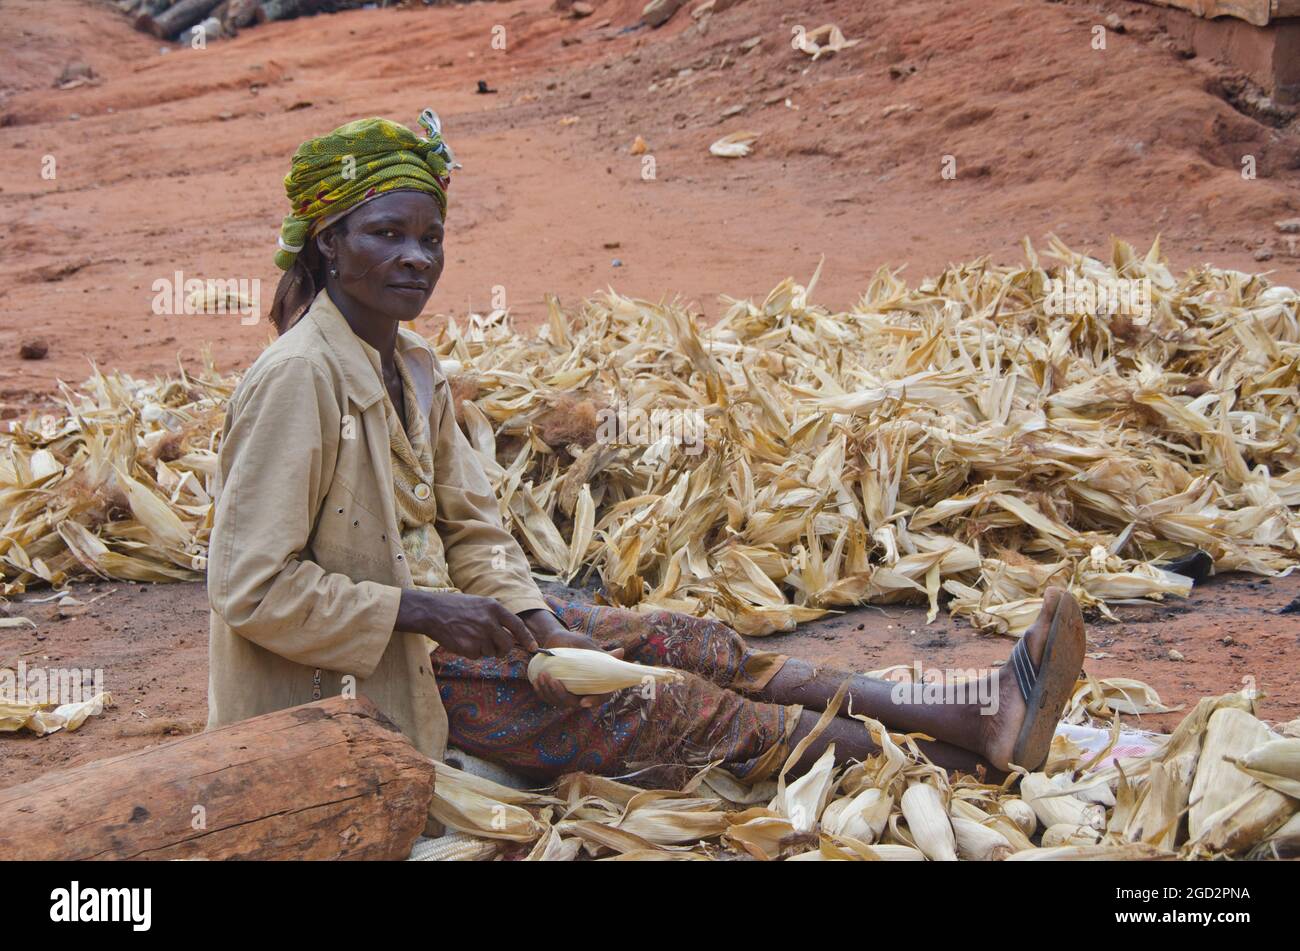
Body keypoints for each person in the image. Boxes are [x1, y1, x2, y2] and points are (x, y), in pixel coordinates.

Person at [206, 112, 1086, 789]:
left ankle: (977, 712)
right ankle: (954, 771)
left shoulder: (411, 366)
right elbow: (250, 586)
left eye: (429, 238)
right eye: (385, 234)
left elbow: (472, 529)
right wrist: (426, 611)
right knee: (667, 707)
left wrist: (540, 626)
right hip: (368, 684)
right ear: (329, 243)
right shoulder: (298, 381)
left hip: (447, 635)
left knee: (687, 640)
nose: (415, 259)